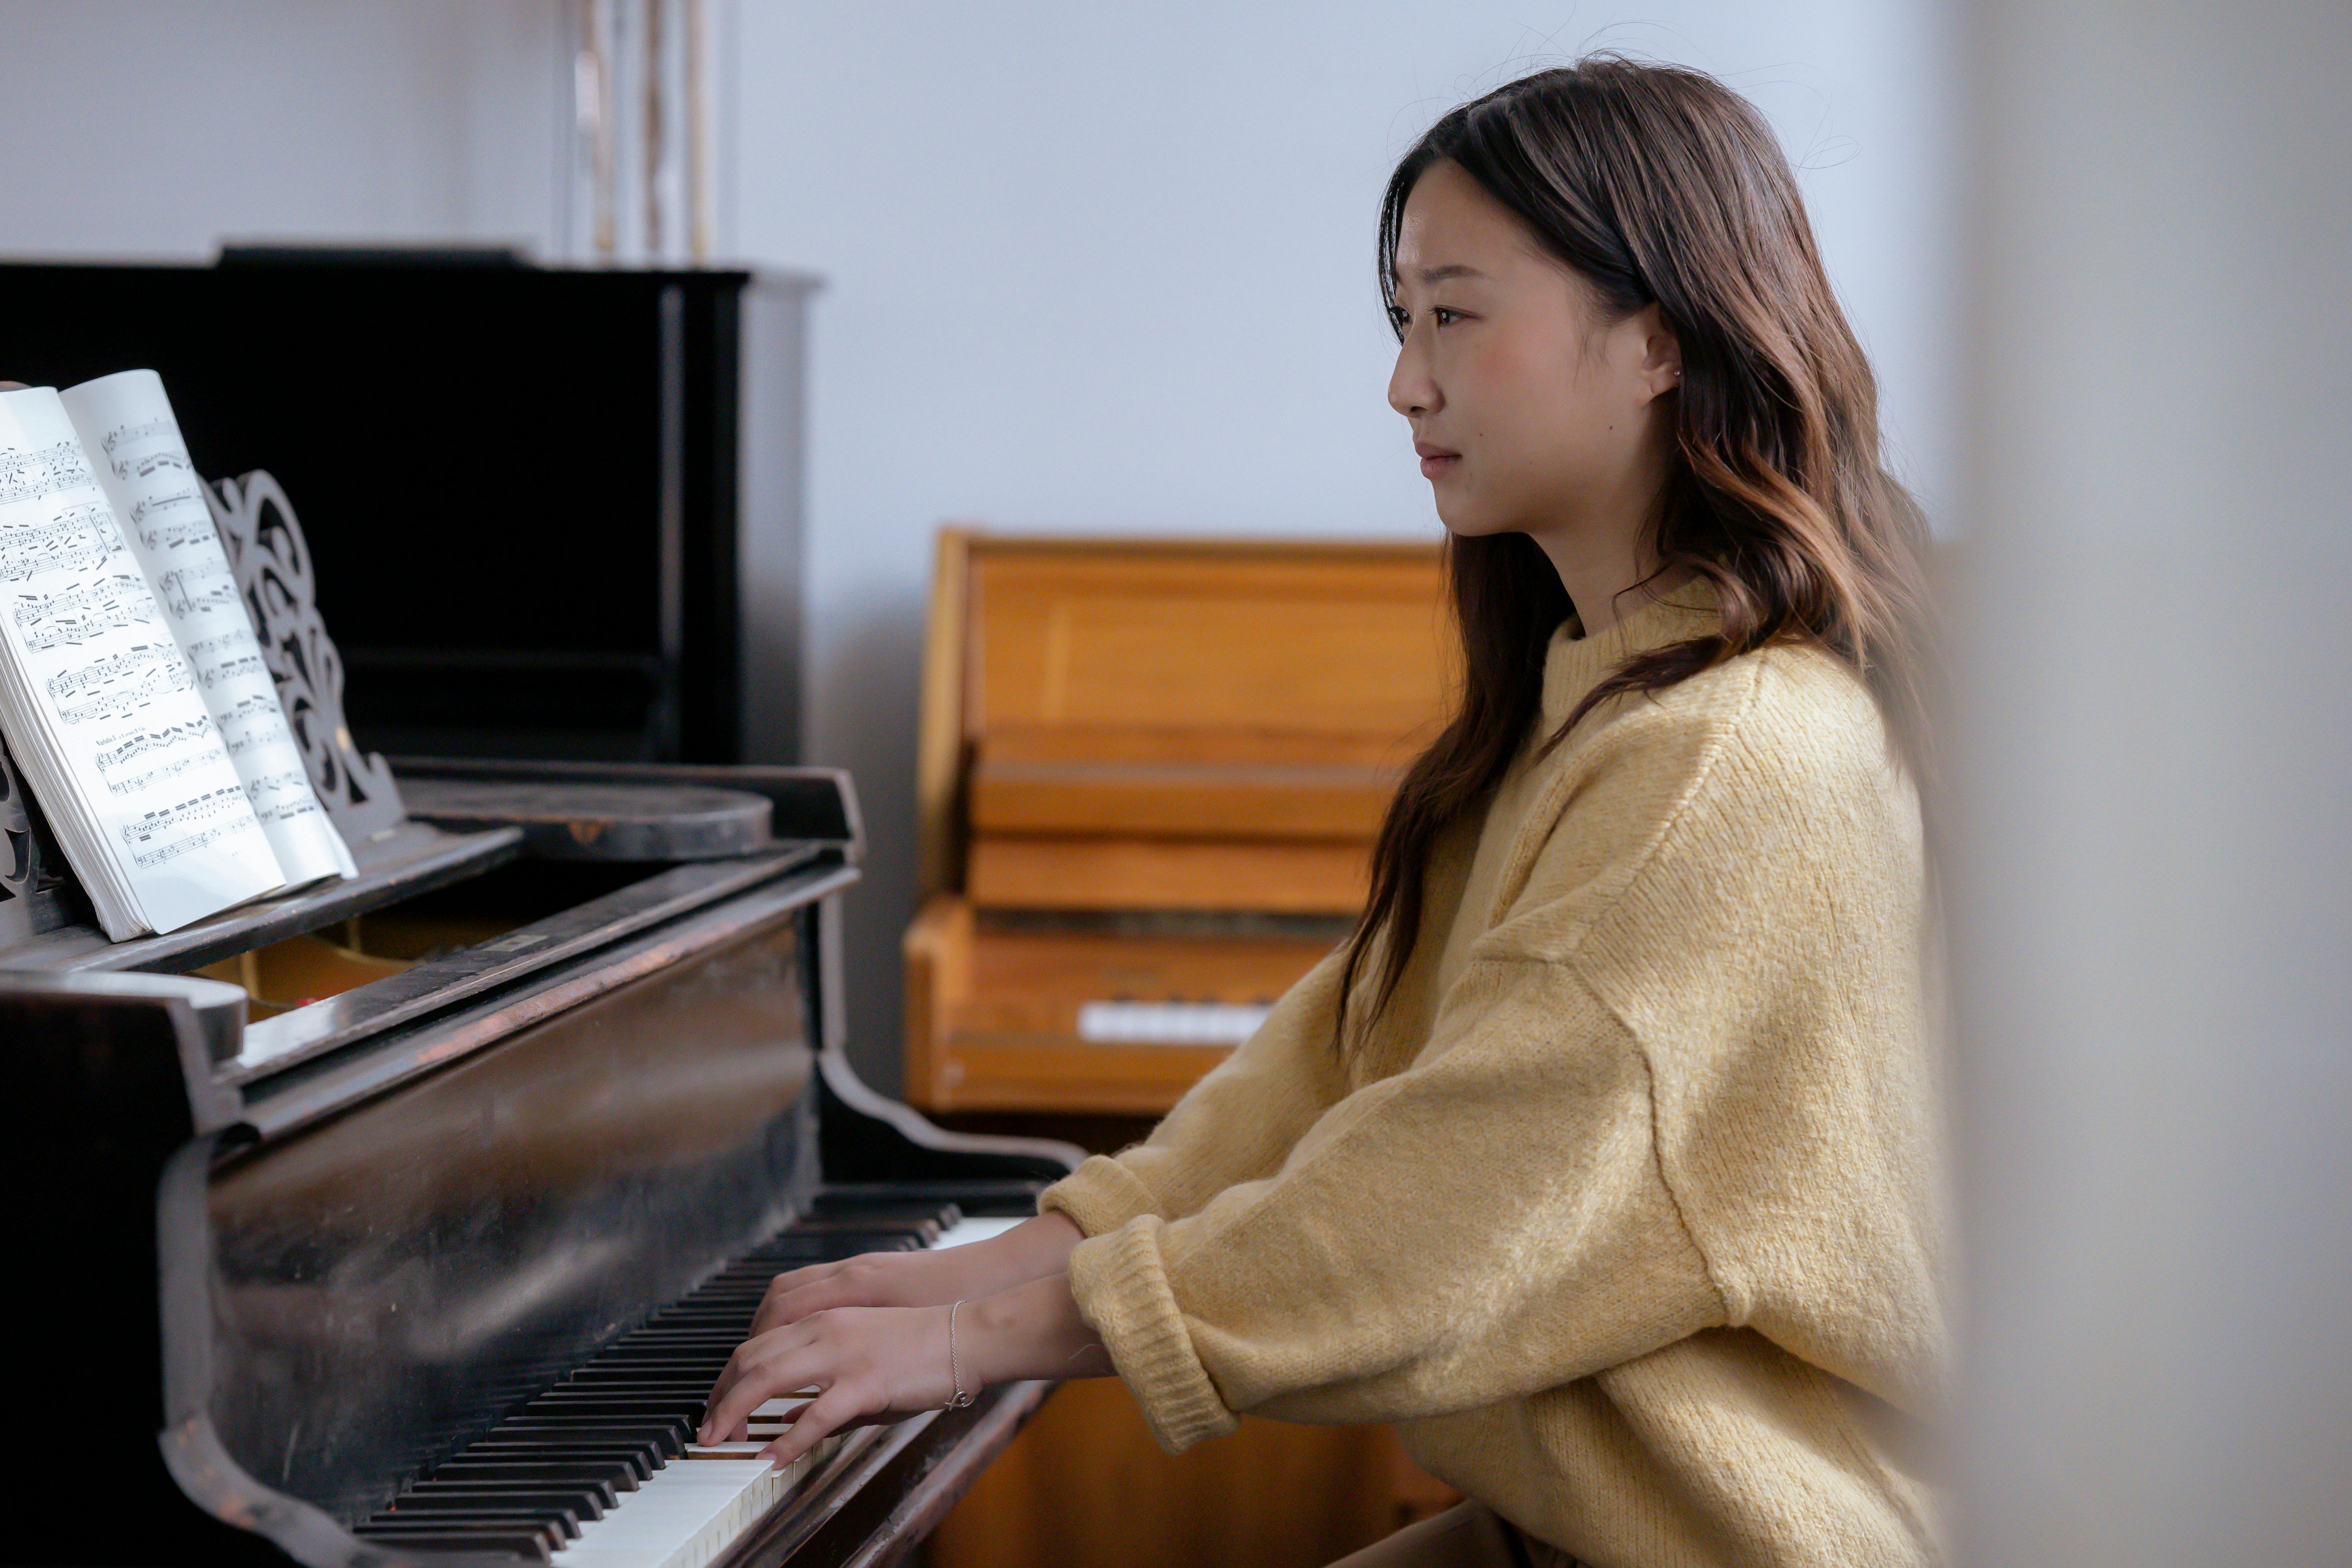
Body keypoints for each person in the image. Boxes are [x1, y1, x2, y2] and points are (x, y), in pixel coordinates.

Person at [701, 56, 1945, 1568]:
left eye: (1456, 316)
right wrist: (1025, 1255)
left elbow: (1454, 1203)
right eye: (1401, 320)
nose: (1405, 382)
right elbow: (1347, 1056)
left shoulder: (1735, 756)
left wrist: (990, 1341)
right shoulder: (1599, 696)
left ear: (1659, 341)